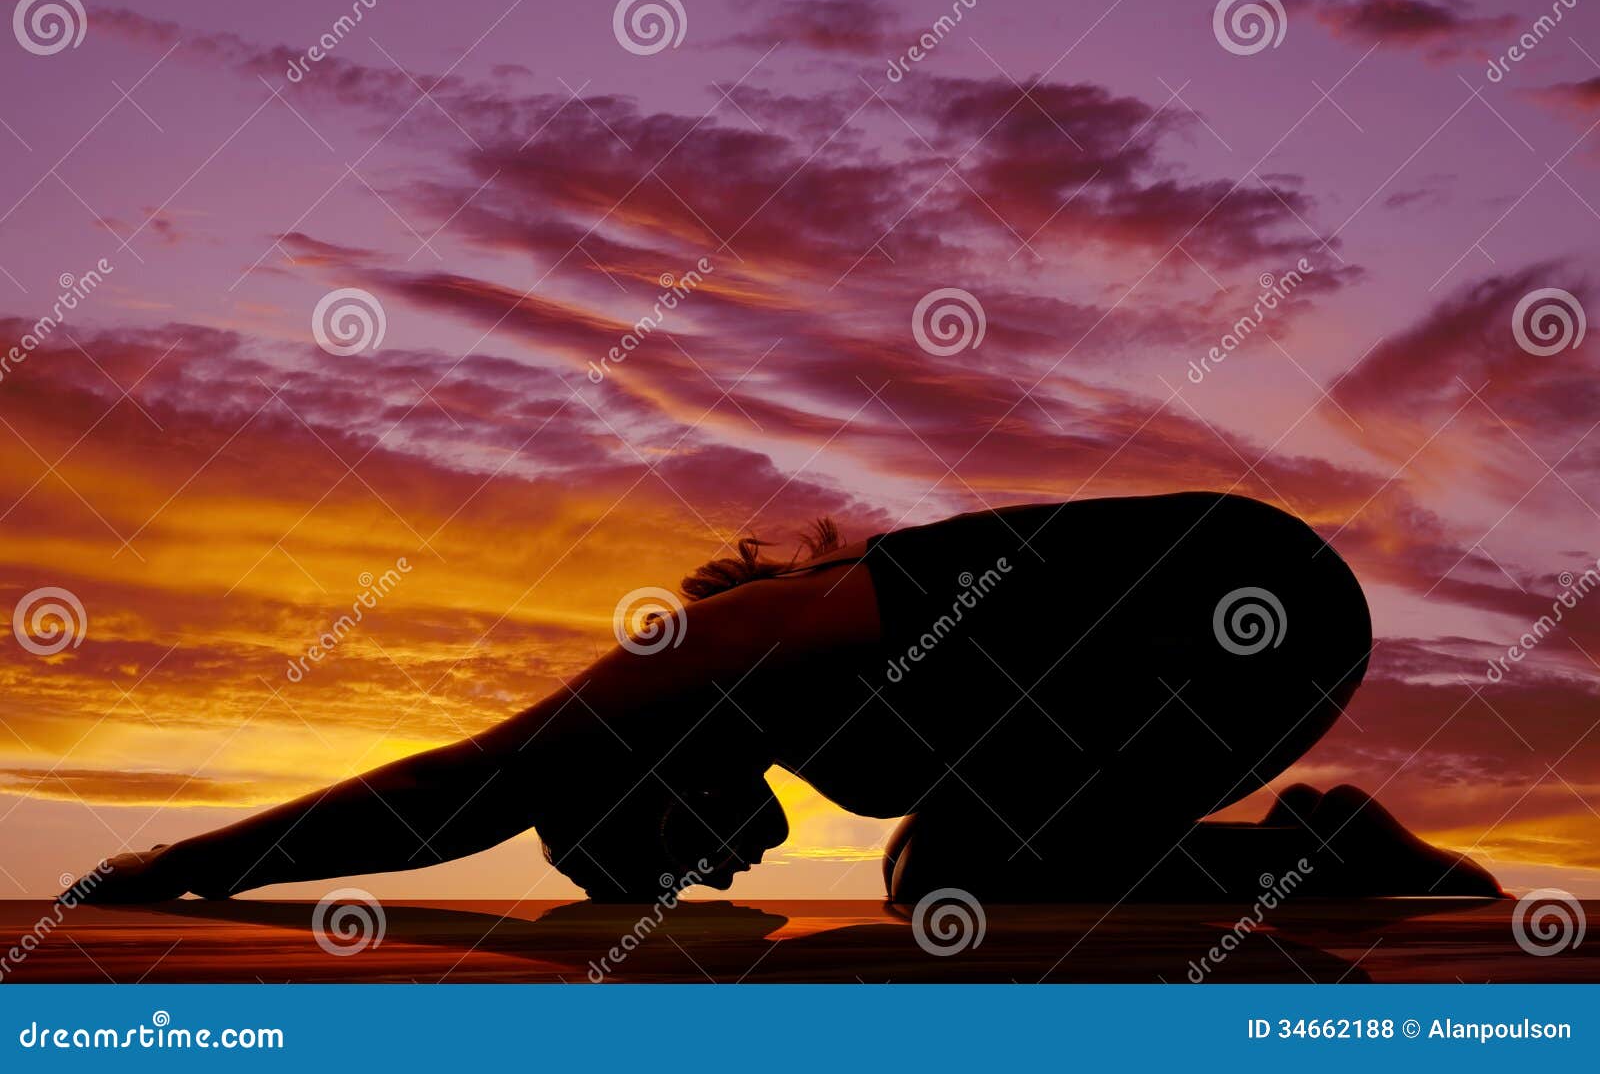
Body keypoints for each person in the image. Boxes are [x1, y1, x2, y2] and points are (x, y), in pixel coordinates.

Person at [70, 491, 1500, 905]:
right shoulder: (839, 748)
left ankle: (1315, 839)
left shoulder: (726, 644)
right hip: (1221, 689)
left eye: (677, 854)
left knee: (944, 844)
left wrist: (179, 867)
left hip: (1242, 594)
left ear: (653, 772)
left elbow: (467, 782)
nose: (722, 866)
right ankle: (1320, 846)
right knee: (947, 857)